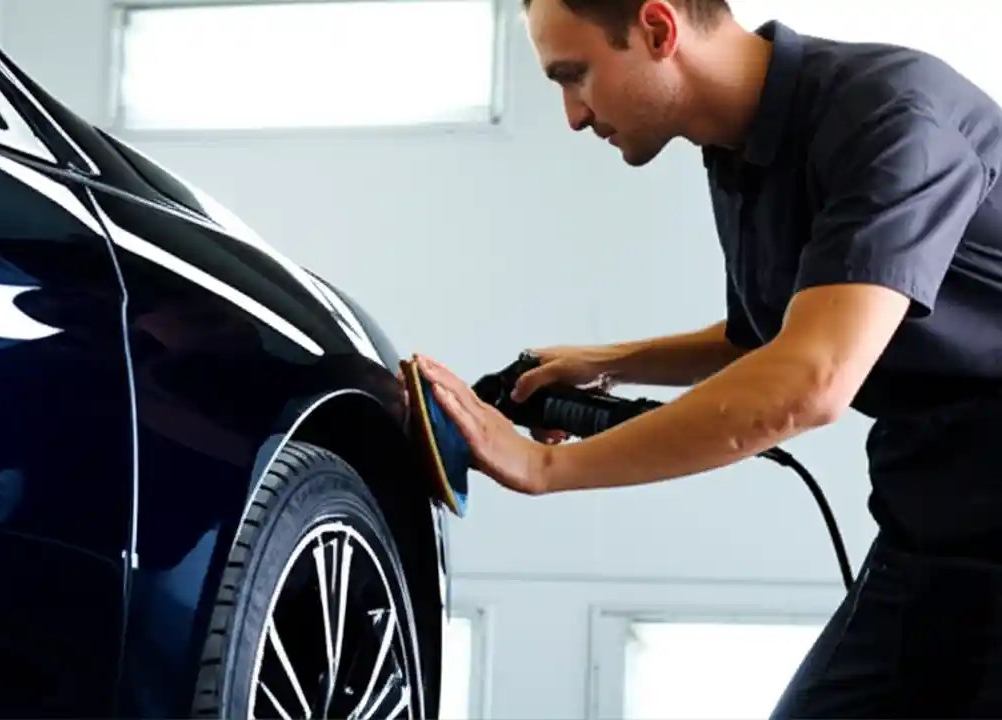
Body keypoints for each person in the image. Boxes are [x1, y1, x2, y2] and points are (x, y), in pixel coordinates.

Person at [415, 0, 1002, 716]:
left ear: (659, 29)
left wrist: (545, 467)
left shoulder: (891, 117)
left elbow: (809, 381)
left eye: (576, 77)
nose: (572, 114)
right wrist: (606, 362)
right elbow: (767, 337)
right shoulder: (737, 149)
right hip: (934, 526)